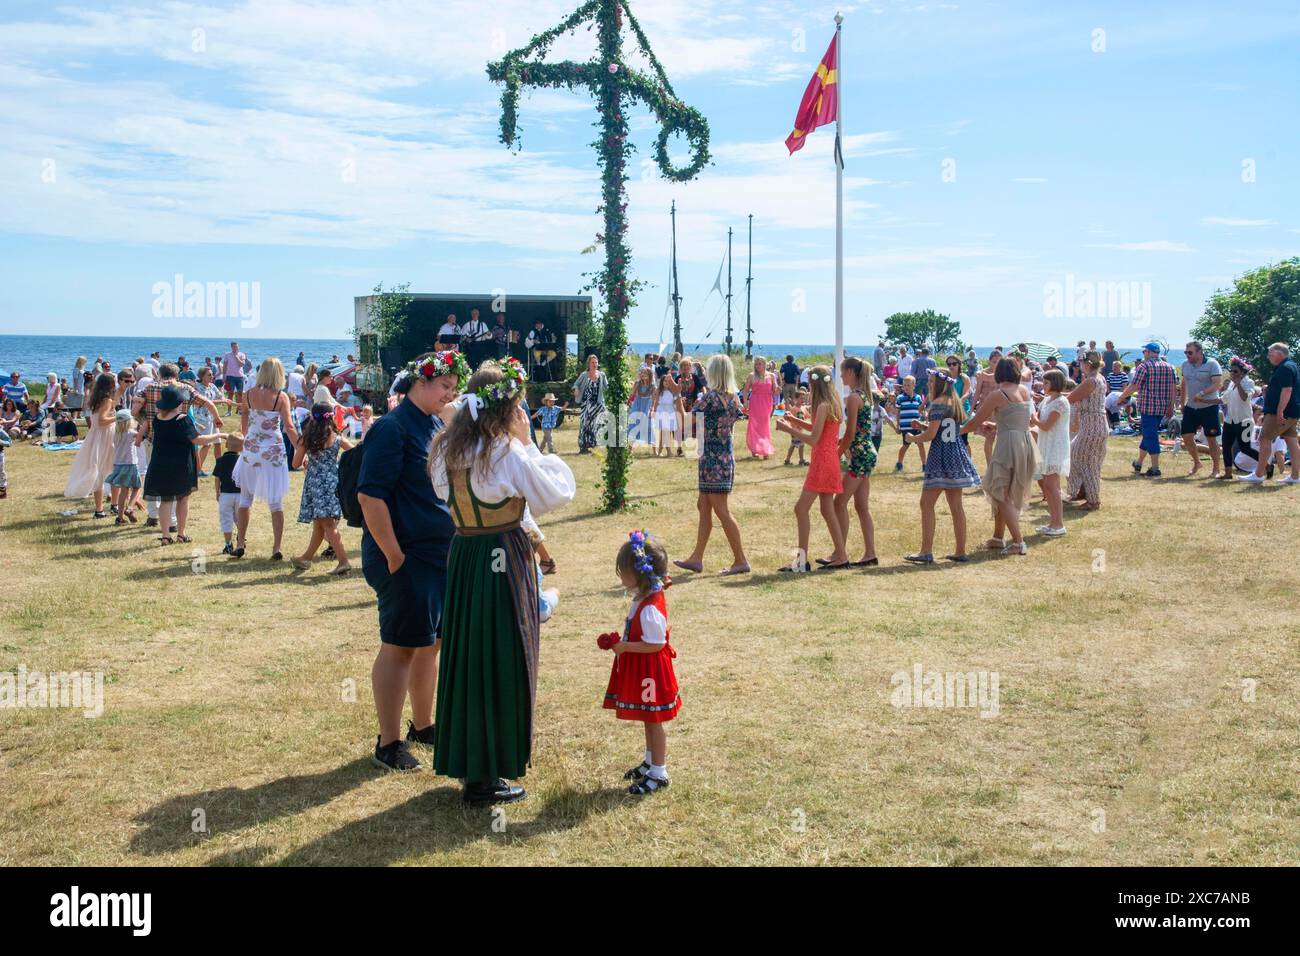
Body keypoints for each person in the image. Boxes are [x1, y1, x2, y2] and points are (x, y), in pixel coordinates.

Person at [429, 359, 576, 804]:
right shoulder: (504, 452)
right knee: (504, 654)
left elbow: (440, 493)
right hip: (503, 558)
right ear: (507, 408)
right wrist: (529, 443)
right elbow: (555, 493)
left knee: (470, 655)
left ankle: (472, 766)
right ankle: (487, 773)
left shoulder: (446, 451)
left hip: (467, 556)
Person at [359, 351, 467, 772]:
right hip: (406, 557)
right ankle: (388, 742)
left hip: (435, 555)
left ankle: (423, 725)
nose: (449, 395)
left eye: (454, 388)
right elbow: (370, 496)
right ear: (420, 383)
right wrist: (394, 555)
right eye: (444, 386)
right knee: (400, 646)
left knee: (430, 644)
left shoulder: (431, 423)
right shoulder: (392, 428)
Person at [601, 530, 680, 796]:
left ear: (640, 574)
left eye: (623, 571)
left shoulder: (649, 608)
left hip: (651, 673)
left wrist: (624, 647)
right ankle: (650, 761)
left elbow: (656, 644)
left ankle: (659, 772)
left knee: (653, 719)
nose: (620, 576)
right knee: (648, 718)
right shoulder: (644, 597)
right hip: (645, 669)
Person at [673, 354, 750, 577]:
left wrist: (678, 397)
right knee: (704, 505)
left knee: (721, 510)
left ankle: (741, 560)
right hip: (723, 457)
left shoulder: (711, 398)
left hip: (712, 460)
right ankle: (697, 558)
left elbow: (687, 422)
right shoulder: (733, 398)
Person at [960, 358, 1038, 556]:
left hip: (1008, 445)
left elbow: (976, 420)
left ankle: (1019, 542)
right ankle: (998, 536)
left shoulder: (997, 394)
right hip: (1024, 441)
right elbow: (1020, 419)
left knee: (998, 490)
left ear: (998, 374)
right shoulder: (1024, 390)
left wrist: (955, 431)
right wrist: (996, 426)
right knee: (1006, 490)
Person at [775, 365, 847, 571]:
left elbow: (815, 439)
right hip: (828, 459)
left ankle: (801, 561)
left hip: (822, 461)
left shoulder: (823, 405)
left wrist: (788, 428)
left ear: (814, 383)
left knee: (801, 508)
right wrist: (794, 419)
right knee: (827, 509)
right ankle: (841, 555)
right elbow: (820, 430)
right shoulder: (831, 403)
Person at [904, 369, 981, 563]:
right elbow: (945, 430)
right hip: (955, 452)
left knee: (926, 503)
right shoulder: (953, 402)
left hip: (941, 456)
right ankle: (960, 551)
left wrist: (913, 438)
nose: (929, 384)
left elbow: (932, 436)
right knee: (956, 506)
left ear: (940, 384)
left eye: (931, 381)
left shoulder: (937, 404)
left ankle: (926, 551)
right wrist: (923, 426)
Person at [133, 362, 222, 527]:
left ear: (159, 373)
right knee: (176, 480)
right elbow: (208, 403)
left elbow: (135, 409)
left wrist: (145, 422)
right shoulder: (184, 388)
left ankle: (153, 515)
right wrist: (217, 418)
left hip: (154, 438)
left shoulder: (148, 388)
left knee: (153, 475)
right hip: (179, 439)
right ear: (176, 375)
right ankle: (173, 521)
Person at [231, 358, 298, 559]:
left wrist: (248, 439)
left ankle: (241, 542)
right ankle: (276, 548)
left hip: (251, 447)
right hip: (274, 450)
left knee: (245, 499)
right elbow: (289, 426)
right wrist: (300, 449)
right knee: (276, 502)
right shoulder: (281, 397)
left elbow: (244, 422)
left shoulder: (248, 395)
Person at [291, 403, 354, 575]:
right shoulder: (337, 437)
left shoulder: (307, 438)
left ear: (312, 417)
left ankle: (343, 561)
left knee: (327, 523)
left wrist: (307, 462)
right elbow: (355, 453)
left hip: (316, 484)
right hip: (333, 483)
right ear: (331, 416)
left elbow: (295, 463)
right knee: (319, 524)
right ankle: (306, 558)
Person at [836, 357, 879, 566]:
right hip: (867, 452)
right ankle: (870, 553)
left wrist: (837, 453)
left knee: (839, 503)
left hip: (860, 455)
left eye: (843, 371)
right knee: (861, 506)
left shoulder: (853, 398)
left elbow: (851, 433)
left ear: (851, 372)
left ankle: (839, 553)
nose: (841, 375)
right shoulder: (864, 395)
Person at [1240, 342, 1300, 484]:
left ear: (1279, 354)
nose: (1268, 357)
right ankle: (1295, 476)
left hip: (1280, 412)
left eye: (1270, 353)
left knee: (1264, 439)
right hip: (1292, 411)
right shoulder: (1291, 366)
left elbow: (1287, 390)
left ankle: (1259, 474)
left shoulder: (1285, 368)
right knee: (1291, 440)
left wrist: (1280, 411)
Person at [1116, 343, 1176, 477]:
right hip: (1162, 408)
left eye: (1144, 351)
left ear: (1148, 352)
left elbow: (1134, 385)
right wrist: (1171, 406)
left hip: (1148, 407)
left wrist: (1121, 397)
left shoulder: (1144, 366)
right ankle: (1138, 462)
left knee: (1151, 436)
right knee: (1149, 434)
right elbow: (1173, 389)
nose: (1143, 353)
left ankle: (1155, 468)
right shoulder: (1169, 367)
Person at [63, 373, 117, 517]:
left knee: (98, 470)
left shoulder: (96, 399)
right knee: (105, 470)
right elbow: (101, 420)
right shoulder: (106, 400)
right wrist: (118, 417)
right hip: (104, 436)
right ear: (110, 385)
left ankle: (101, 508)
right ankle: (106, 507)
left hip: (95, 436)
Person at [1032, 369, 1072, 537]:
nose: (1044, 385)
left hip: (1055, 445)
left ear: (1054, 383)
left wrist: (1034, 419)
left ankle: (1058, 524)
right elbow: (1040, 417)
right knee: (1048, 486)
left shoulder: (1061, 402)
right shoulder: (1047, 400)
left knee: (1051, 485)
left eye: (1046, 382)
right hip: (1046, 444)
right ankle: (1053, 522)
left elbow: (1047, 425)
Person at [1065, 350, 1107, 510]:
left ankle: (1093, 500)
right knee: (1076, 454)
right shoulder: (1098, 378)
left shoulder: (1091, 381)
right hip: (1094, 424)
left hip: (1092, 425)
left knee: (1087, 462)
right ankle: (1083, 490)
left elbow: (1071, 398)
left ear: (1087, 364)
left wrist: (1052, 397)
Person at [1179, 341, 1223, 477]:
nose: (1187, 355)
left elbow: (1218, 384)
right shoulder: (1185, 365)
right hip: (1191, 407)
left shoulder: (1212, 364)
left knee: (1211, 438)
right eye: (1186, 352)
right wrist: (1182, 402)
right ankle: (1197, 462)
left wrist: (1203, 393)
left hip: (1209, 407)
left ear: (1199, 352)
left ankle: (1216, 469)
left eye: (1190, 352)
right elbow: (1184, 383)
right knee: (1186, 436)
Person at [1219, 356, 1256, 478]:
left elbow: (1245, 397)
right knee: (1226, 446)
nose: (1232, 373)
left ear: (1243, 372)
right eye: (1231, 371)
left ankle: (1266, 464)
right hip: (1230, 420)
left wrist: (1238, 383)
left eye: (1235, 371)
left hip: (1244, 421)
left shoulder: (1249, 383)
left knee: (1245, 448)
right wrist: (1202, 400)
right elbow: (1223, 400)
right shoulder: (1230, 385)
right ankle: (1228, 473)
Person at [107, 410, 142, 524]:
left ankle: (120, 517)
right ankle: (130, 508)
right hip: (130, 464)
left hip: (118, 465)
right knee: (137, 488)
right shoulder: (131, 433)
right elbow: (142, 436)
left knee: (123, 491)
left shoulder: (115, 434)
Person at [212, 433, 243, 555]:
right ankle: (241, 539)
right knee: (240, 518)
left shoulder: (220, 460)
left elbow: (217, 478)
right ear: (241, 448)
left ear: (226, 445)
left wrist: (217, 491)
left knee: (226, 519)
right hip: (240, 494)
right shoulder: (242, 460)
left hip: (225, 494)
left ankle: (228, 544)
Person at [573, 353, 608, 454]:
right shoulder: (584, 375)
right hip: (586, 404)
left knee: (596, 426)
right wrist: (576, 389)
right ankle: (583, 446)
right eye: (592, 362)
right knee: (584, 424)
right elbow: (576, 384)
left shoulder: (602, 375)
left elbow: (607, 387)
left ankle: (593, 446)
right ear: (588, 364)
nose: (595, 364)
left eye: (596, 362)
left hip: (598, 405)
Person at [892, 375, 926, 471]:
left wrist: (924, 414)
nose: (906, 387)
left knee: (921, 444)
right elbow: (898, 412)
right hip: (905, 427)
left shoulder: (918, 397)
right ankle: (899, 463)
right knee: (905, 445)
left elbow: (921, 409)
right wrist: (897, 425)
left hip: (917, 426)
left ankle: (925, 465)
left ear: (914, 386)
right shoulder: (900, 398)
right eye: (904, 385)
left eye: (908, 385)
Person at [653, 364, 682, 457]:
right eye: (664, 381)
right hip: (662, 411)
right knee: (665, 431)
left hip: (670, 411)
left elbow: (675, 400)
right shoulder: (659, 391)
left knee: (666, 432)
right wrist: (653, 411)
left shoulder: (671, 391)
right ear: (661, 382)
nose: (666, 382)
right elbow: (656, 402)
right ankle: (668, 451)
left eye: (667, 381)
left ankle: (660, 451)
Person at [626, 367, 654, 450]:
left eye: (645, 373)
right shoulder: (637, 383)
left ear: (649, 375)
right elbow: (632, 395)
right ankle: (630, 448)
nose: (643, 375)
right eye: (642, 373)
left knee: (649, 426)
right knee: (633, 425)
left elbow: (654, 398)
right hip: (637, 405)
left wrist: (652, 409)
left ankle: (655, 450)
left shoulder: (652, 386)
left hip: (646, 406)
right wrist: (627, 401)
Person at [783, 387, 809, 466]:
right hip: (795, 430)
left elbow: (807, 416)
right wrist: (792, 430)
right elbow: (790, 419)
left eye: (803, 399)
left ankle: (787, 460)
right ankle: (801, 460)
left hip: (800, 431)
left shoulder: (803, 408)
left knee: (793, 445)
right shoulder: (794, 409)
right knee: (801, 445)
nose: (803, 400)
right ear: (796, 399)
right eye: (801, 398)